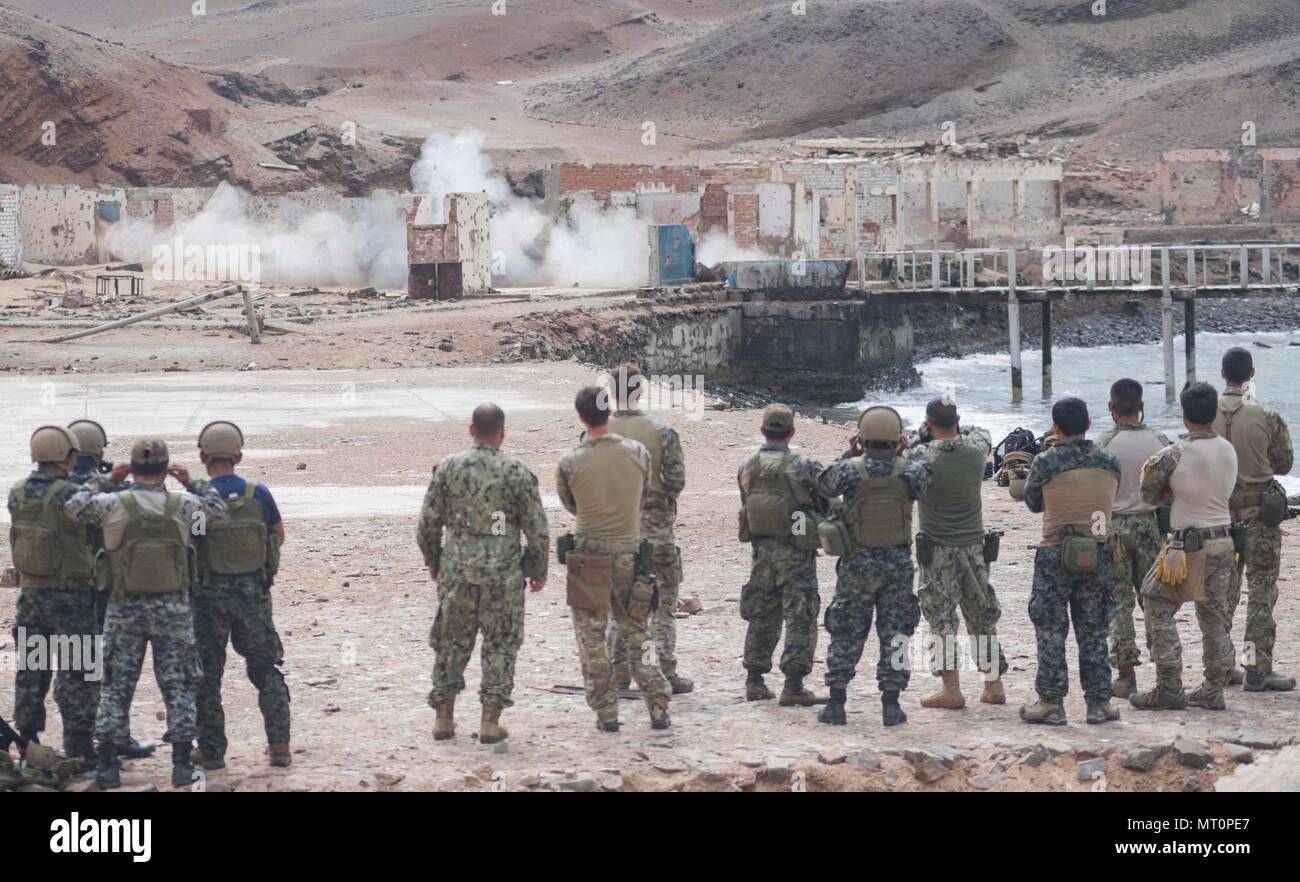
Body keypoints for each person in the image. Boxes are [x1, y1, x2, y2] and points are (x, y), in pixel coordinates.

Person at [64, 439, 229, 789]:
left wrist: (107, 480)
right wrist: (191, 482)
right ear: (166, 467)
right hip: (173, 609)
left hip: (124, 608)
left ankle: (108, 766)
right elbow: (219, 513)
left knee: (115, 688)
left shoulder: (111, 504)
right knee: (179, 686)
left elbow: (73, 508)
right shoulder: (184, 504)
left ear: (131, 467)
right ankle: (182, 765)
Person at [418, 404, 549, 743]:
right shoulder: (517, 473)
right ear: (502, 432)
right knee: (501, 643)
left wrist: (433, 560)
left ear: (471, 430)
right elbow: (537, 529)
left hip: (457, 571)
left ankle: (443, 719)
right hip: (502, 574)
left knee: (450, 642)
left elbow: (428, 523)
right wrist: (537, 569)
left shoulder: (448, 469)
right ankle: (490, 721)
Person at [555, 386, 670, 732]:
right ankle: (658, 701)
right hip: (629, 552)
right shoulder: (637, 453)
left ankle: (606, 711)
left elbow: (570, 503)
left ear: (580, 416)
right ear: (609, 413)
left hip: (588, 554)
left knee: (592, 638)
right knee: (638, 631)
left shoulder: (570, 461)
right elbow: (645, 492)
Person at [815, 406, 930, 727]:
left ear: (862, 439)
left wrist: (848, 453)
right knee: (896, 634)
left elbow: (824, 486)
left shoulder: (850, 471)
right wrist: (904, 453)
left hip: (857, 565)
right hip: (897, 564)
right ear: (897, 440)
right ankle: (891, 705)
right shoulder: (910, 472)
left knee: (846, 630)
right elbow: (925, 482)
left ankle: (836, 705)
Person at [1130, 382, 1239, 711]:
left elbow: (1147, 493)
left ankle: (1170, 686)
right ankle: (1213, 688)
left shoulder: (1173, 453)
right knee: (1214, 617)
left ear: (1185, 414)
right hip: (1224, 541)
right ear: (1214, 414)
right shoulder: (1227, 449)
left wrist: (1170, 493)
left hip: (1186, 546)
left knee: (1156, 603)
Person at [192, 421, 293, 769]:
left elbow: (192, 541)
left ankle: (212, 752)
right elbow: (277, 534)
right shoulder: (259, 493)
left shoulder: (199, 498)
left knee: (207, 675)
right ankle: (279, 746)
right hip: (253, 594)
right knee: (266, 669)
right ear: (239, 456)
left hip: (208, 598)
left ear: (203, 456)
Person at [1020, 397, 1122, 726]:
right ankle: (1099, 703)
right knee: (1093, 629)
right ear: (1088, 425)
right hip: (1098, 550)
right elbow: (1112, 495)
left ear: (1056, 427)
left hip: (1055, 552)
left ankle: (1050, 702)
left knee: (1050, 629)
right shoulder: (1109, 459)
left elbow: (1034, 502)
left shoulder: (1046, 462)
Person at [904, 397, 1006, 709]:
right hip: (975, 545)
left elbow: (905, 451)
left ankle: (951, 688)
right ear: (957, 421)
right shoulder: (976, 451)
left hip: (937, 548)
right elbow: (982, 432)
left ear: (929, 424)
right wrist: (955, 429)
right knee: (981, 612)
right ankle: (993, 683)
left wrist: (923, 434)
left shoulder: (921, 455)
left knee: (941, 615)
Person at [7, 426, 98, 761]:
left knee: (32, 670)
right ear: (66, 456)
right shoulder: (71, 492)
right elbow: (95, 520)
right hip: (71, 596)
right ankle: (80, 745)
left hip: (31, 595)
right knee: (80, 669)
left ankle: (27, 742)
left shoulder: (17, 492)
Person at [66, 419, 155, 762]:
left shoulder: (56, 487)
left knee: (72, 665)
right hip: (107, 589)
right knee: (110, 668)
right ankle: (114, 739)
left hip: (64, 589)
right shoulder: (115, 490)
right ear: (101, 451)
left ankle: (75, 743)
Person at [605, 364, 692, 694]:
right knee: (662, 606)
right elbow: (677, 481)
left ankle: (618, 675)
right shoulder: (662, 431)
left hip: (615, 530)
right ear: (640, 390)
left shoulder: (598, 432)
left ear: (612, 393)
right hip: (656, 531)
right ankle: (664, 671)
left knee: (619, 607)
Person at [1213, 347, 1295, 692]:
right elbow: (1284, 465)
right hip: (1259, 515)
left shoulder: (1205, 414)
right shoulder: (1267, 416)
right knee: (1260, 592)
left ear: (1222, 374)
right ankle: (1255, 667)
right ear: (1252, 374)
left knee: (1222, 591)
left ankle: (1220, 664)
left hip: (1219, 513)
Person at [736, 404, 827, 705]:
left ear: (763, 430)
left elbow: (746, 502)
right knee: (801, 615)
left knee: (762, 613)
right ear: (792, 432)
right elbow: (828, 495)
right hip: (796, 551)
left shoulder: (747, 465)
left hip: (762, 551)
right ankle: (793, 684)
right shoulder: (802, 465)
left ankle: (755, 680)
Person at [1094, 380, 1172, 698]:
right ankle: (1166, 668)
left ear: (1110, 407)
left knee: (1119, 603)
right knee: (1155, 600)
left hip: (1113, 527)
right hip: (1149, 525)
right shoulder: (1160, 441)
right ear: (1141, 406)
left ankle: (1125, 676)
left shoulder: (1102, 444)